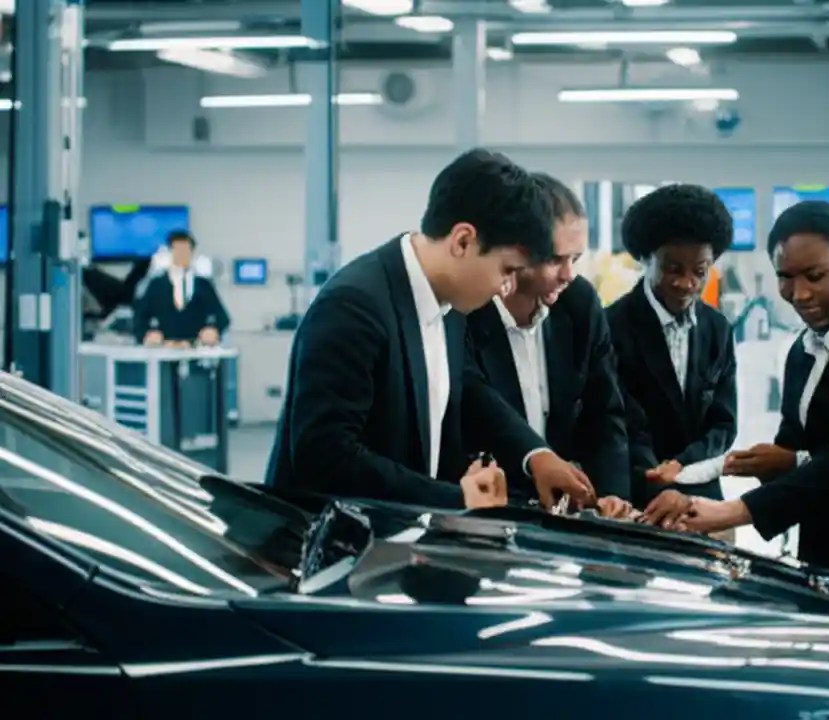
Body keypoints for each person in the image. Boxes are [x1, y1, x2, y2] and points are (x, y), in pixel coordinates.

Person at [266, 148, 595, 511]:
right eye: (506, 269)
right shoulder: (354, 307)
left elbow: (468, 389)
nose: (507, 288)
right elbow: (325, 457)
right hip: (326, 542)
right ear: (463, 241)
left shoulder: (449, 300)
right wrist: (456, 499)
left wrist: (535, 455)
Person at [679, 201, 829, 583]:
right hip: (819, 551)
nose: (800, 293)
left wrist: (738, 510)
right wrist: (769, 462)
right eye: (786, 277)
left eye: (815, 275)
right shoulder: (802, 350)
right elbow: (798, 445)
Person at [466, 173, 633, 518]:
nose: (568, 274)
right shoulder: (468, 309)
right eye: (557, 260)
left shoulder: (580, 302)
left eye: (575, 258)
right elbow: (474, 406)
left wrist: (612, 493)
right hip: (487, 510)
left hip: (564, 513)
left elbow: (604, 410)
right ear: (517, 251)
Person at [606, 184, 737, 528]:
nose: (686, 283)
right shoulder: (611, 327)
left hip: (701, 497)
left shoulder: (717, 330)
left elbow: (724, 423)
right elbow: (620, 422)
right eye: (672, 268)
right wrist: (658, 476)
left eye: (700, 270)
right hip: (636, 498)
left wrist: (682, 467)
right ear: (646, 258)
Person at [133, 230, 229, 347]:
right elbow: (139, 317)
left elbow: (222, 317)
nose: (182, 255)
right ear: (170, 252)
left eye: (186, 251)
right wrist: (146, 334)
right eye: (177, 250)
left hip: (196, 350)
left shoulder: (203, 284)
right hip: (163, 350)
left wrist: (213, 330)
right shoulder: (156, 284)